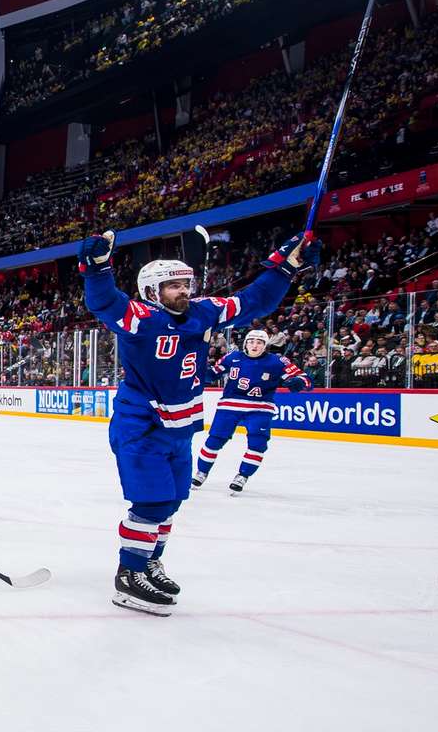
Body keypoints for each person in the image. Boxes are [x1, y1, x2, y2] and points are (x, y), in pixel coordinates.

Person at [79, 229, 318, 615]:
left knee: (171, 502)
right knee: (151, 502)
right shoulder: (139, 318)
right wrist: (97, 269)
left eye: (185, 283)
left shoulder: (204, 311)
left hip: (180, 428)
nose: (182, 290)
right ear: (152, 292)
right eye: (172, 285)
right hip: (142, 425)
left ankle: (150, 562)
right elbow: (104, 301)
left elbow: (254, 300)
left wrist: (284, 267)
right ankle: (129, 574)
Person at [193, 329, 312, 494]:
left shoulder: (277, 361)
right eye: (251, 341)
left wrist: (297, 382)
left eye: (259, 342)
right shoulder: (232, 357)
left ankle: (243, 475)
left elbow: (306, 379)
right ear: (245, 343)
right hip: (230, 405)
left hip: (260, 408)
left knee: (258, 444)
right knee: (214, 440)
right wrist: (199, 366)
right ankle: (201, 472)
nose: (255, 345)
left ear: (265, 345)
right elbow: (212, 375)